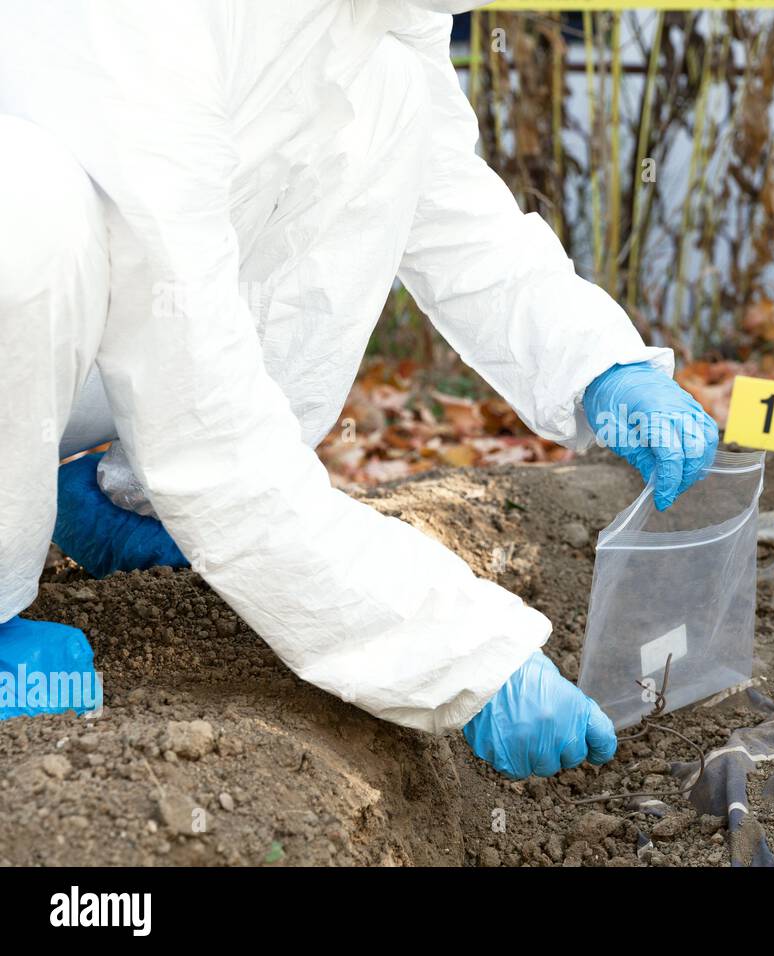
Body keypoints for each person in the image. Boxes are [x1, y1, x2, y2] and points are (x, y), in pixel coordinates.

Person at [0, 0, 718, 781]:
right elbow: (204, 418)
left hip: (78, 360)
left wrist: (602, 366)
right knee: (25, 210)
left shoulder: (375, 15)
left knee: (383, 99)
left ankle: (133, 497)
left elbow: (451, 207)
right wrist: (460, 659)